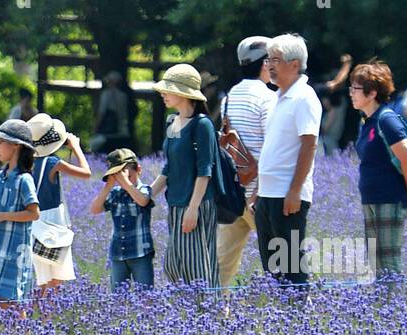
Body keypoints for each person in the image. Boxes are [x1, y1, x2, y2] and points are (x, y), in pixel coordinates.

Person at [256, 34, 321, 289]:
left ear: (294, 64)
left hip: (287, 194)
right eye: (268, 59)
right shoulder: (275, 98)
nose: (270, 65)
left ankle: (298, 320)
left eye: (276, 59)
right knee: (271, 267)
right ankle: (280, 317)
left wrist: (294, 190)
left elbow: (309, 144)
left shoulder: (304, 96)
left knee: (292, 264)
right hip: (267, 193)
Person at [349, 61, 407, 277]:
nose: (351, 93)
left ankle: (393, 307)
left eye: (355, 89)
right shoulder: (368, 122)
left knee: (389, 263)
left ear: (372, 93)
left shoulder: (386, 119)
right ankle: (383, 306)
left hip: (389, 198)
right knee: (376, 263)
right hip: (372, 199)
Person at [151, 64, 219, 289]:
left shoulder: (202, 125)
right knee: (173, 266)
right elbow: (169, 167)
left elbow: (204, 171)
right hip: (175, 203)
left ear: (183, 93)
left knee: (197, 268)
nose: (163, 94)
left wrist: (193, 209)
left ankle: (207, 315)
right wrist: (147, 194)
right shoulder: (172, 122)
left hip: (196, 204)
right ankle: (188, 315)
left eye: (167, 90)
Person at [217, 36, 277, 287]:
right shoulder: (268, 99)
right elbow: (271, 151)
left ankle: (216, 317)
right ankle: (294, 315)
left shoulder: (228, 97)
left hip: (232, 192)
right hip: (259, 194)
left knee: (222, 265)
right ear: (264, 64)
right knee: (281, 260)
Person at [26, 113, 91, 307]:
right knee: (55, 280)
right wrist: (76, 147)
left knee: (41, 279)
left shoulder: (28, 162)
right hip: (53, 223)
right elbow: (86, 173)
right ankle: (47, 321)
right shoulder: (54, 163)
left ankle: (34, 322)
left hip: (33, 221)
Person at [0, 119, 39, 315]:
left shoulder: (24, 179)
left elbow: (34, 213)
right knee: (1, 300)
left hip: (16, 251)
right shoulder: (0, 177)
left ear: (16, 146)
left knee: (14, 301)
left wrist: (2, 215)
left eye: (0, 143)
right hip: (1, 247)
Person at [91, 148, 155, 289]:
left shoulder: (144, 189)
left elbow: (143, 201)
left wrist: (127, 183)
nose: (121, 181)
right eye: (117, 177)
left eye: (128, 175)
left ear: (138, 169)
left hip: (140, 253)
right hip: (118, 254)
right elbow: (95, 209)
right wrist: (108, 186)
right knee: (117, 297)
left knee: (145, 295)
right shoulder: (115, 193)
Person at [92, 71, 132, 154]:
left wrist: (96, 127)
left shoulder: (106, 94)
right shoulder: (123, 96)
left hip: (108, 133)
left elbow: (101, 113)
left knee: (96, 148)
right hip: (122, 132)